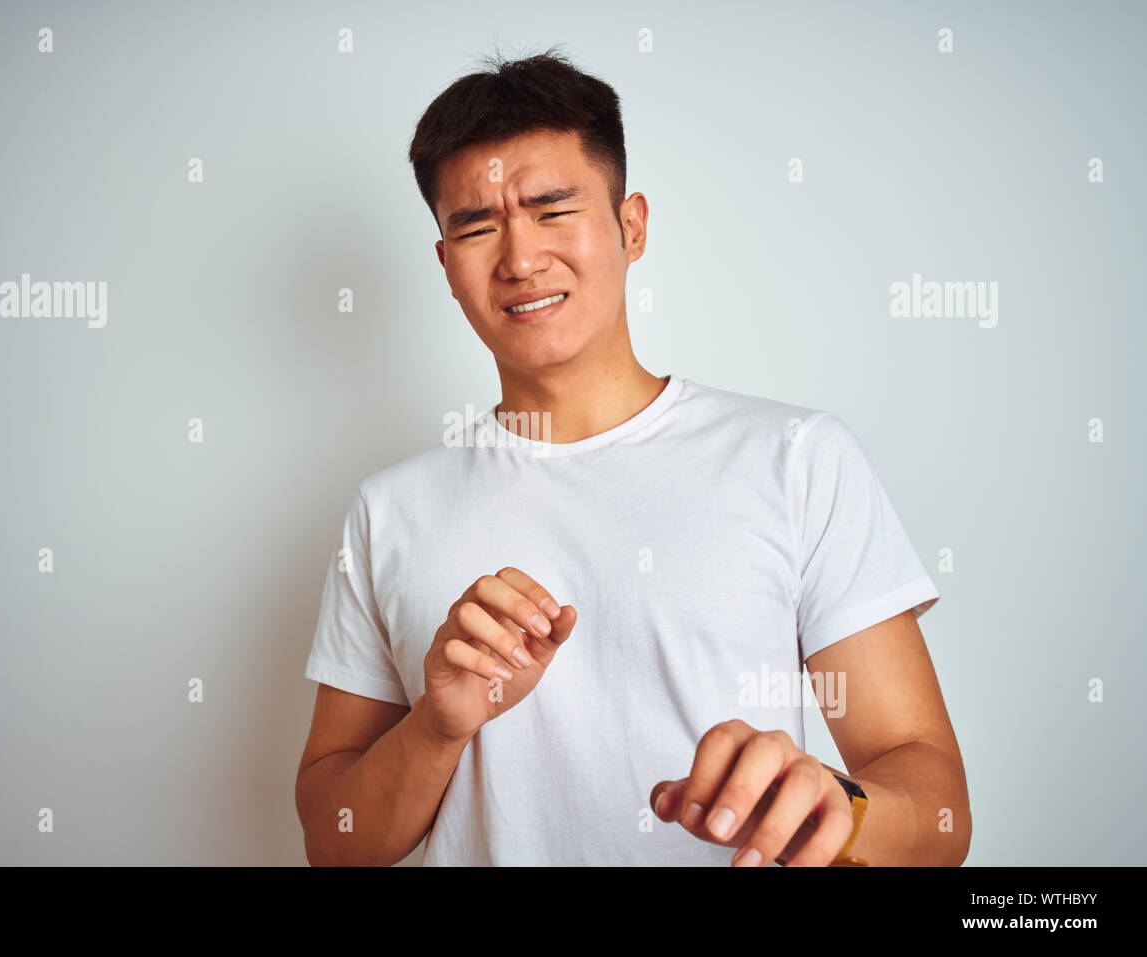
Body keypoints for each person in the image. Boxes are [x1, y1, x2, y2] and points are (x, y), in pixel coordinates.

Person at [294, 48, 970, 866]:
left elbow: (937, 808)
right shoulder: (387, 510)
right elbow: (334, 841)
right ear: (445, 264)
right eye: (476, 225)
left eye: (552, 209)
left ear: (632, 225)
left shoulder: (795, 460)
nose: (519, 257)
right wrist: (437, 726)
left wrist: (841, 810)